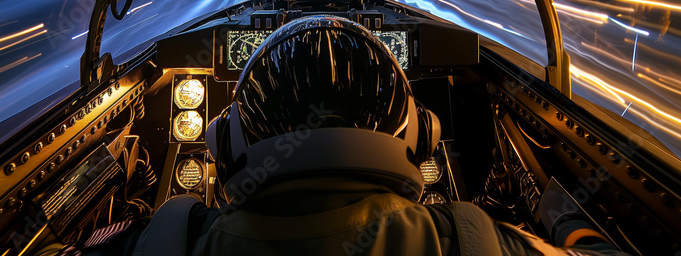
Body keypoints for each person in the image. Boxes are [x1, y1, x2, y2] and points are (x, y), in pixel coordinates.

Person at [130, 15, 627, 256]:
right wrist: (564, 219)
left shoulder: (170, 241)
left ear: (226, 143)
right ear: (420, 134)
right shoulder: (469, 241)